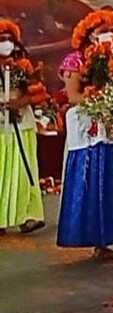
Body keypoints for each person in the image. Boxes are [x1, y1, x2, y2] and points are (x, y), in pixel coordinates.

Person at [56, 8, 113, 259]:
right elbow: (73, 96)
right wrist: (98, 102)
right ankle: (95, 239)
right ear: (88, 35)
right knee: (93, 181)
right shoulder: (75, 60)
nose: (107, 35)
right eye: (101, 32)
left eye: (110, 31)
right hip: (90, 131)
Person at [0, 19, 45, 235]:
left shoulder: (23, 65)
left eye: (9, 40)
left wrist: (20, 102)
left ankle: (29, 215)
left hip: (21, 125)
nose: (6, 44)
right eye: (2, 40)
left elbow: (38, 92)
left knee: (25, 169)